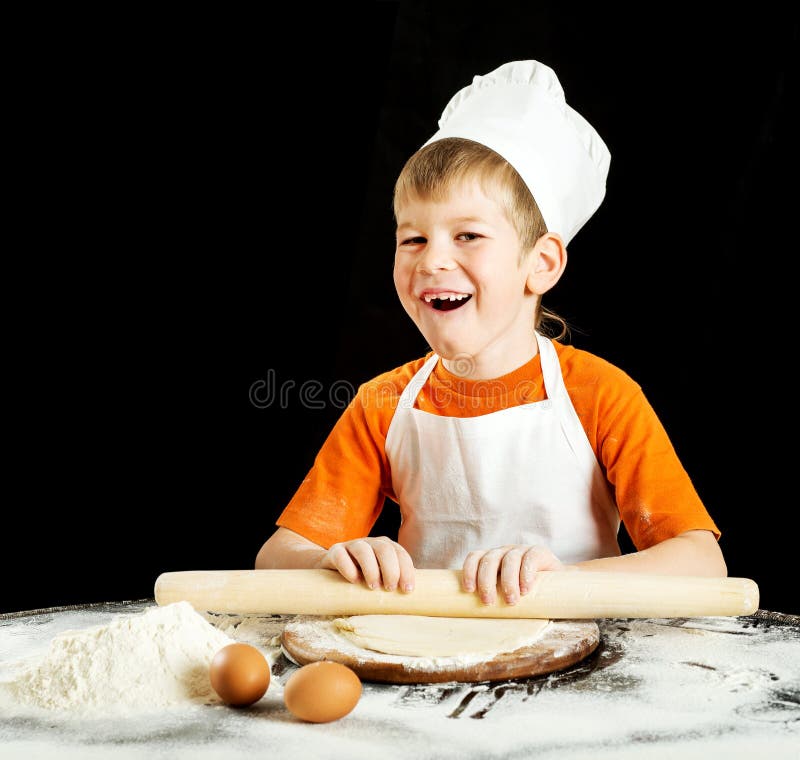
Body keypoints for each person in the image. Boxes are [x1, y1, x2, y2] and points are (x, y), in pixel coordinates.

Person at [255, 60, 726, 606]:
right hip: (431, 670)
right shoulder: (381, 405)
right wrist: (330, 560)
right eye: (412, 239)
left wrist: (562, 582)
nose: (432, 261)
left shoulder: (601, 395)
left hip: (579, 670)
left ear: (542, 264)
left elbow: (701, 562)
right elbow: (277, 557)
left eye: (469, 235)